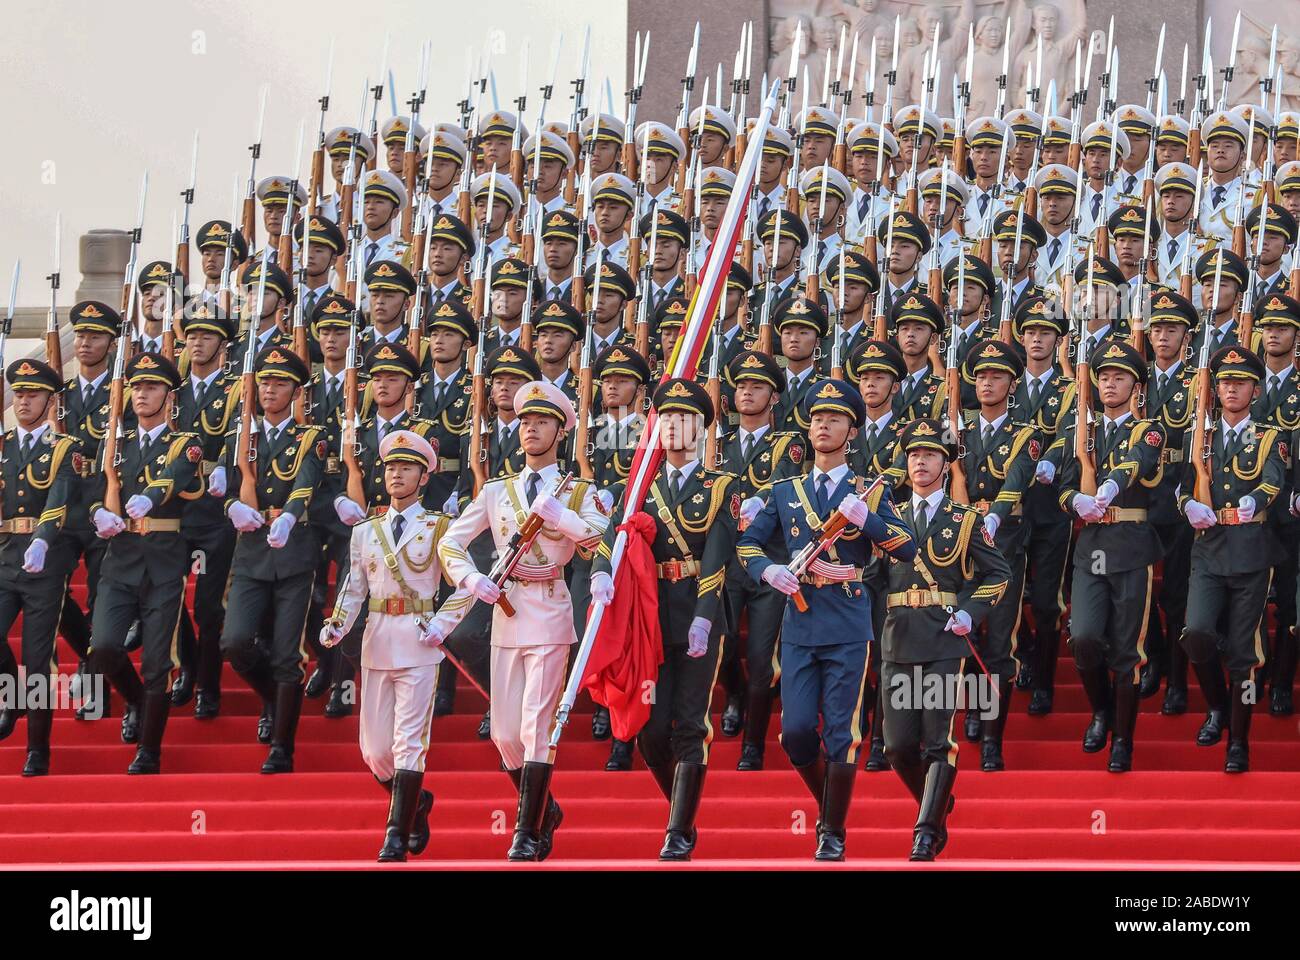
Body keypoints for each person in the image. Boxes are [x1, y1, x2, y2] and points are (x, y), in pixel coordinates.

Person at [738, 379, 915, 860]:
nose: (823, 426)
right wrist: (768, 569)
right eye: (817, 418)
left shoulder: (867, 491)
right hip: (798, 622)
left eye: (834, 419)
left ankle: (831, 831)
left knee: (841, 730)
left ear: (852, 431)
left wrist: (867, 520)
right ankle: (829, 806)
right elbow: (748, 544)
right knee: (795, 733)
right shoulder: (784, 490)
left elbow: (907, 548)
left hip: (847, 620)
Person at [439, 381, 607, 860]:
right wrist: (471, 580)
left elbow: (601, 542)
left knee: (536, 724)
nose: (530, 429)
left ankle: (525, 832)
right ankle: (545, 808)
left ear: (560, 431)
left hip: (551, 609)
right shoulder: (497, 491)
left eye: (542, 422)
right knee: (503, 734)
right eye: (525, 422)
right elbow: (451, 542)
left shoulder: (576, 491)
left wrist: (566, 519)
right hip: (508, 614)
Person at [590, 378, 739, 861]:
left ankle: (678, 831)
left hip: (698, 615)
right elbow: (611, 541)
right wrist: (599, 575)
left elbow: (717, 559)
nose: (675, 428)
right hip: (647, 622)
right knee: (651, 728)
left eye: (685, 419)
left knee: (689, 724)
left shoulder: (720, 487)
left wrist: (704, 618)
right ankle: (680, 806)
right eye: (667, 419)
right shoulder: (636, 486)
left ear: (700, 428)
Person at [323, 430, 468, 862]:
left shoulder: (440, 527)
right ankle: (416, 802)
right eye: (391, 468)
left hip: (420, 640)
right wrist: (337, 624)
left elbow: (465, 585)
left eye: (407, 468)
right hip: (378, 639)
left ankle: (394, 833)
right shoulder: (366, 531)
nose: (397, 475)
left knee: (408, 743)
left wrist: (444, 623)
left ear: (424, 477)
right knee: (373, 750)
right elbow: (353, 588)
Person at [881, 418, 1010, 861]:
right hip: (897, 636)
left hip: (942, 638)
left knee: (938, 741)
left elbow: (999, 573)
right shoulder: (889, 518)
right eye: (914, 454)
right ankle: (935, 802)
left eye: (930, 454)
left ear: (945, 463)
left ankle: (925, 831)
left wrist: (970, 615)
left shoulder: (964, 519)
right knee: (897, 746)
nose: (920, 461)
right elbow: (873, 578)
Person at [86, 352, 205, 774]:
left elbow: (175, 474)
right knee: (102, 646)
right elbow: (92, 493)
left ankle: (150, 750)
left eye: (151, 387)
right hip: (119, 561)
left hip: (161, 562)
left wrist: (149, 498)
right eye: (136, 387)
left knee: (158, 660)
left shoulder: (184, 442)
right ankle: (136, 701)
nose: (141, 394)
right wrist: (97, 514)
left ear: (169, 397)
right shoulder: (113, 444)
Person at [1053, 339, 1165, 773]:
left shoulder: (1149, 427)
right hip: (1092, 548)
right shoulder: (1080, 432)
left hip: (1131, 548)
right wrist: (1074, 502)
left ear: (1137, 387)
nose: (1110, 383)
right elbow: (1064, 485)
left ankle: (1124, 739)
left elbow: (1139, 460)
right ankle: (1100, 709)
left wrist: (1111, 486)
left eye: (1119, 377)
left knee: (1127, 649)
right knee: (1082, 637)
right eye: (1103, 377)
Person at [219, 346, 326, 773]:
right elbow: (227, 488)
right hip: (250, 553)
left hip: (294, 552)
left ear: (296, 392)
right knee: (236, 641)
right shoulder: (240, 436)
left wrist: (290, 518)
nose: (269, 389)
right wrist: (231, 507)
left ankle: (282, 745)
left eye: (279, 383)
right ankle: (272, 697)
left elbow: (305, 483)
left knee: (286, 652)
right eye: (264, 381)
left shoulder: (310, 438)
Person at [1179, 347, 1285, 774]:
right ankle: (1219, 706)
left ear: (1255, 390)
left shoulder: (1270, 436)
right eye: (1225, 382)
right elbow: (1183, 485)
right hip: (1208, 547)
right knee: (1198, 633)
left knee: (1243, 654)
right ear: (1217, 389)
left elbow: (1274, 480)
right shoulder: (1198, 436)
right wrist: (1186, 504)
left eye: (1240, 383)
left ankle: (1239, 740)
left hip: (1251, 549)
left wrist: (1253, 498)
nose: (1232, 389)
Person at [957, 339, 1041, 769]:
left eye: (997, 377)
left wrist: (995, 515)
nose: (988, 383)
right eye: (982, 376)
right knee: (966, 632)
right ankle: (972, 708)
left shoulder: (1024, 435)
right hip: (960, 541)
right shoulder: (960, 434)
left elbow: (1015, 480)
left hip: (1003, 540)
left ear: (1012, 384)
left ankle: (993, 737)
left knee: (1000, 638)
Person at [721, 351, 807, 772]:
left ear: (774, 397)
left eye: (757, 387)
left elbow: (782, 481)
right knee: (720, 648)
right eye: (741, 386)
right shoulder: (715, 444)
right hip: (725, 561)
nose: (747, 392)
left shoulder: (785, 442)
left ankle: (753, 743)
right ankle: (733, 694)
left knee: (760, 657)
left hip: (768, 560)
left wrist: (757, 499)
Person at [0, 359, 80, 775]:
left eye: (32, 395)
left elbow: (59, 499)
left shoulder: (65, 448)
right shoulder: (4, 443)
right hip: (4, 556)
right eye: (18, 394)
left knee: (37, 657)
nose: (24, 400)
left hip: (43, 562)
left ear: (51, 401)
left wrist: (43, 541)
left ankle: (37, 748)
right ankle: (11, 698)